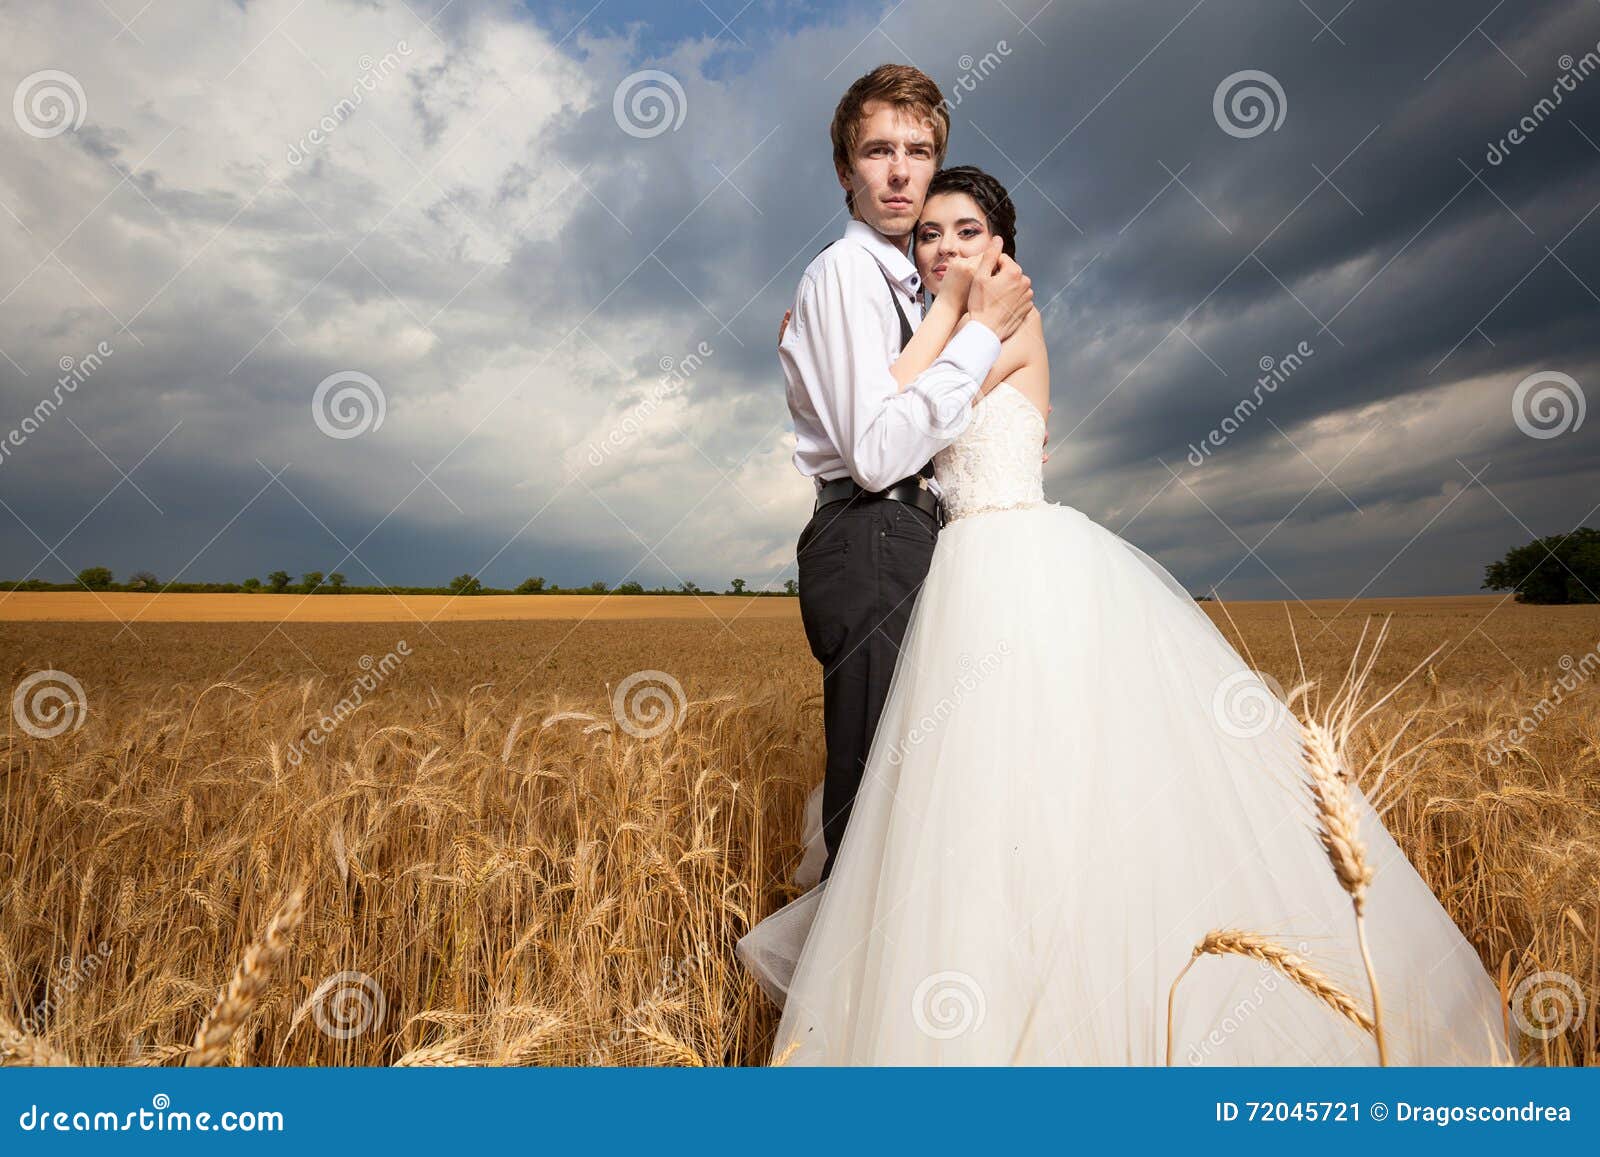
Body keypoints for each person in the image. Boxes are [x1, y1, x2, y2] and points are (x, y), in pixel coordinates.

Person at [736, 165, 1512, 1066]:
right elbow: (878, 412)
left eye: (967, 232)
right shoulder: (963, 328)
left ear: (1003, 249)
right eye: (931, 236)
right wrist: (822, 354)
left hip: (1011, 560)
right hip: (959, 564)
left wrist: (930, 325)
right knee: (975, 796)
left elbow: (893, 401)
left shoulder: (1002, 323)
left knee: (1043, 780)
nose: (946, 247)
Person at [777, 63, 1033, 890]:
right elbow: (879, 453)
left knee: (908, 788)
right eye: (877, 151)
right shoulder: (849, 274)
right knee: (878, 797)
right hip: (871, 524)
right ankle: (843, 1009)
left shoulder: (903, 289)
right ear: (845, 168)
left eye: (918, 152)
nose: (898, 171)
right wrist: (977, 336)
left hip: (902, 531)